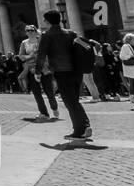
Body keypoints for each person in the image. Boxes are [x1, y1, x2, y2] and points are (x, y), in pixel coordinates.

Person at [36, 10, 92, 141]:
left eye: (44, 20)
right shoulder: (71, 33)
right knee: (74, 101)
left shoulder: (47, 35)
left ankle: (81, 129)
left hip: (62, 72)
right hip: (76, 71)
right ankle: (83, 126)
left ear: (47, 21)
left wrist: (38, 72)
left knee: (70, 102)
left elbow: (41, 55)